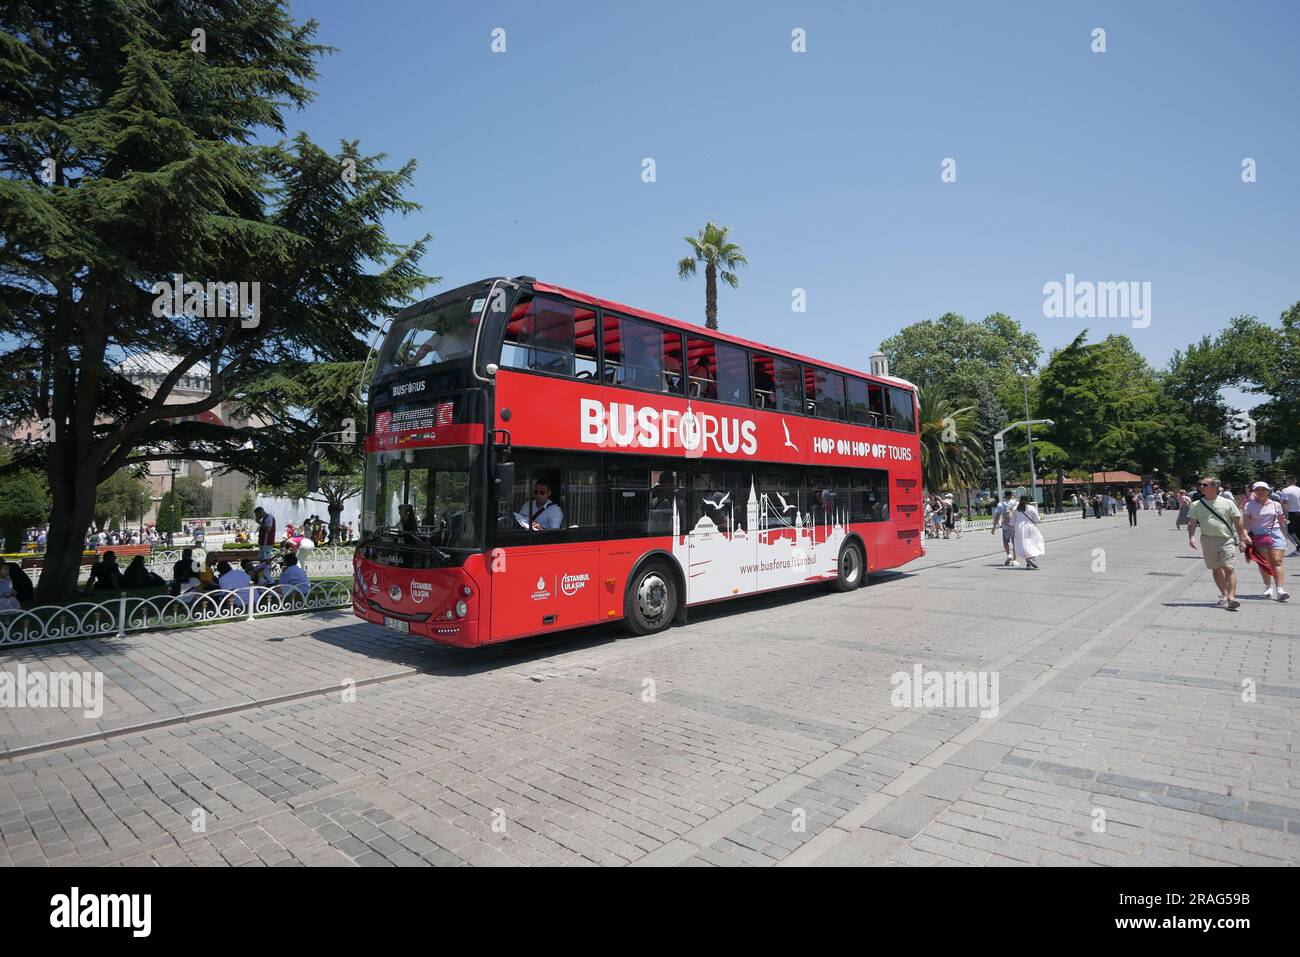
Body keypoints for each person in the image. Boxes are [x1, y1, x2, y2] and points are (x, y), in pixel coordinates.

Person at [1186, 476, 1250, 611]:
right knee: (1216, 568)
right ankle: (1224, 595)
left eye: (1204, 485)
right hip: (1208, 540)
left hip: (1226, 540)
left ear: (1215, 487)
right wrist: (1191, 536)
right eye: (1200, 485)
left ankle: (1232, 598)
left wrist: (1243, 538)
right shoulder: (1196, 504)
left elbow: (1238, 523)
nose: (1201, 487)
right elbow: (1191, 523)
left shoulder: (1228, 503)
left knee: (1229, 568)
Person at [1244, 481, 1289, 601]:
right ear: (1254, 491)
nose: (1261, 491)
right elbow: (1246, 523)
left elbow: (1281, 522)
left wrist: (1285, 537)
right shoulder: (1249, 505)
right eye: (1258, 489)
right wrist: (1244, 537)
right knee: (1264, 562)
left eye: (1263, 489)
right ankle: (1268, 587)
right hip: (1258, 534)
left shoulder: (1275, 504)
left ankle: (1280, 590)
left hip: (1275, 533)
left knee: (1277, 561)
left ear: (1268, 491)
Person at [1011, 495, 1045, 569]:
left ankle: (1028, 561)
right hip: (1030, 526)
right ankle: (1031, 558)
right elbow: (1036, 519)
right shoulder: (1032, 508)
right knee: (1034, 542)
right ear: (1028, 500)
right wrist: (1042, 517)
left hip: (1019, 528)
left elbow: (1012, 522)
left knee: (1023, 543)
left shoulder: (1015, 509)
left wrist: (1012, 529)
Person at [992, 490, 1019, 566]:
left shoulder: (1001, 504)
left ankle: (1008, 554)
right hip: (1014, 526)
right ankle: (1014, 560)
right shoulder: (1016, 503)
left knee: (1005, 542)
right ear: (1011, 495)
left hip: (1005, 526)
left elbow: (997, 516)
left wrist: (994, 527)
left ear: (1004, 496)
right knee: (1015, 543)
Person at [1281, 474, 1300, 557]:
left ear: (1288, 481)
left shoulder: (1285, 490)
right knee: (1298, 532)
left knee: (1290, 532)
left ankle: (1298, 548)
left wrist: (1285, 514)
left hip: (1291, 513)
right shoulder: (1299, 489)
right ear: (1295, 481)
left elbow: (1285, 502)